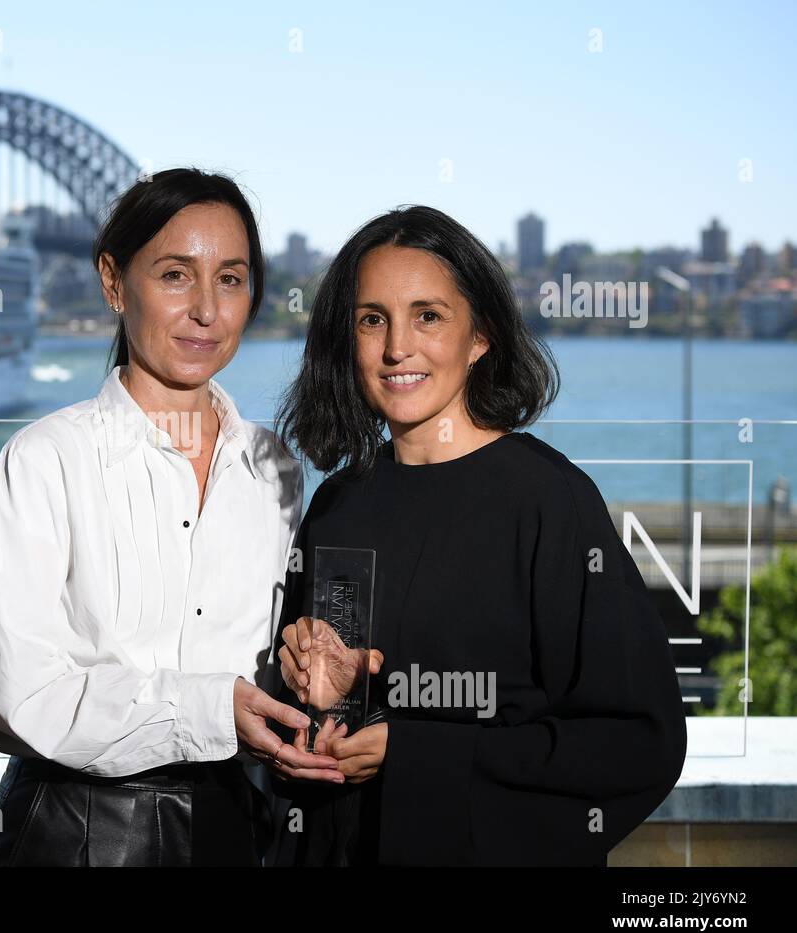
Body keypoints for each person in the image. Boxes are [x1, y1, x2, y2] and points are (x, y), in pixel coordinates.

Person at [267, 205, 688, 866]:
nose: (396, 347)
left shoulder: (551, 503)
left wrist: (413, 753)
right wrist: (314, 707)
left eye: (428, 316)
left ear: (482, 335)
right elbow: (324, 733)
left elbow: (637, 742)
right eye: (371, 319)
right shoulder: (337, 507)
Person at [0, 168, 337, 867]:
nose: (207, 310)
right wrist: (208, 710)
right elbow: (7, 697)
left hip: (240, 823)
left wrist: (314, 681)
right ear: (113, 282)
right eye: (174, 275)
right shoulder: (45, 461)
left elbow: (262, 671)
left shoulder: (273, 467)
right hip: (77, 834)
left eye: (230, 279)